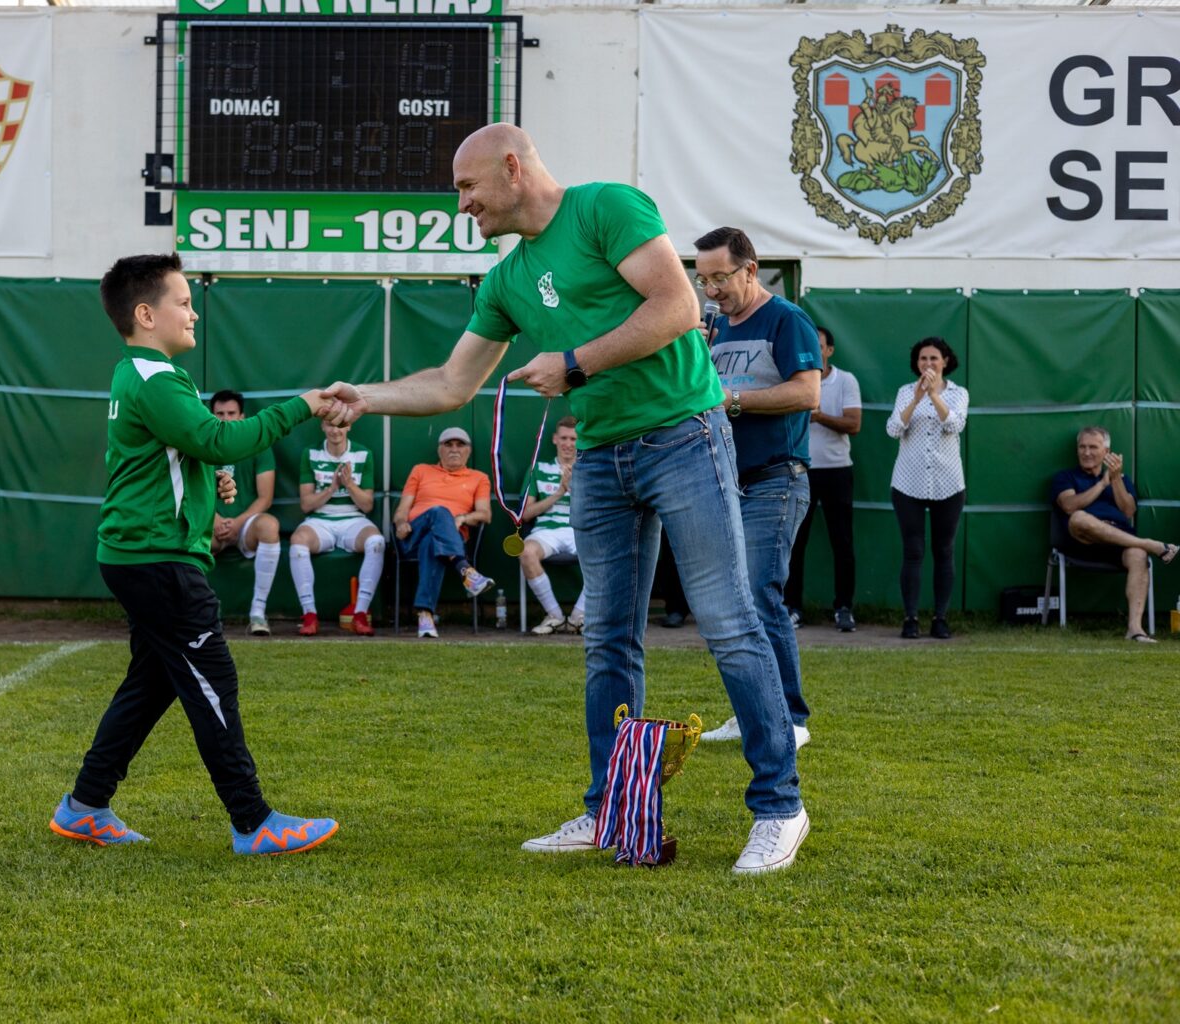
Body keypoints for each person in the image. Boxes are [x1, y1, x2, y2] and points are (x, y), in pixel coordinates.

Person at [321, 124, 807, 875]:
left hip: (684, 435)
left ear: (512, 168)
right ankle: (610, 810)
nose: (462, 205)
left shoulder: (607, 207)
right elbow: (453, 383)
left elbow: (678, 307)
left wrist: (574, 364)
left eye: (467, 187)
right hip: (604, 459)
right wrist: (368, 397)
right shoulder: (505, 280)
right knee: (607, 638)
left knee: (730, 621)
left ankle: (780, 808)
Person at [48, 253, 337, 856]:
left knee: (150, 685)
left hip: (143, 554)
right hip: (157, 560)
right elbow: (216, 436)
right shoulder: (152, 378)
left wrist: (209, 477)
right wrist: (303, 405)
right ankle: (253, 821)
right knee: (213, 678)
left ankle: (84, 806)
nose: (194, 311)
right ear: (146, 314)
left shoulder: (143, 376)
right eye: (183, 301)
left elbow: (177, 455)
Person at [695, 226, 820, 752]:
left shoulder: (787, 319)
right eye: (702, 281)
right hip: (726, 482)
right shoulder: (713, 329)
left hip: (776, 477)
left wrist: (733, 401)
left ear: (751, 269)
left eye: (720, 278)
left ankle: (789, 718)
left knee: (758, 594)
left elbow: (808, 392)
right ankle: (753, 713)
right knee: (732, 604)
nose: (712, 291)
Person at [1051, 426, 1178, 642]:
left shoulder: (1122, 479)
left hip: (1118, 544)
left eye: (1093, 447)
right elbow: (1070, 506)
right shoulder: (1066, 477)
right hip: (1082, 542)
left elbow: (1128, 510)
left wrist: (1115, 479)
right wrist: (1102, 484)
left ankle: (1135, 629)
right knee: (1080, 518)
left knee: (1138, 555)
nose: (1087, 452)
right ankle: (1150, 544)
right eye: (1082, 447)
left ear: (1106, 452)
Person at [887, 336, 969, 639]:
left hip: (948, 483)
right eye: (923, 359)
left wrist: (935, 396)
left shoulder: (959, 393)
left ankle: (940, 617)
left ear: (945, 361)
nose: (929, 364)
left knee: (944, 550)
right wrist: (917, 399)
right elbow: (894, 428)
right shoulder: (905, 392)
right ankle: (910, 619)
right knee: (913, 551)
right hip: (907, 482)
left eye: (934, 358)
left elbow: (955, 425)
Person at [787, 325, 862, 632]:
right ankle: (791, 608)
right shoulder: (792, 377)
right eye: (809, 344)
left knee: (842, 542)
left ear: (829, 350)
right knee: (794, 542)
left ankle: (844, 608)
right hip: (800, 469)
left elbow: (854, 424)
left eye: (819, 345)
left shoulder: (845, 380)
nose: (814, 349)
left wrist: (819, 417)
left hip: (836, 470)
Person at [391, 427, 496, 639]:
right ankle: (465, 569)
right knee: (439, 512)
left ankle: (425, 615)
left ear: (469, 451)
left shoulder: (479, 478)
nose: (454, 449)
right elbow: (402, 511)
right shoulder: (421, 470)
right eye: (448, 445)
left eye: (460, 445)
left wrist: (463, 519)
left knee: (433, 542)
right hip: (414, 534)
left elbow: (485, 514)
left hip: (448, 538)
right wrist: (401, 522)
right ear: (439, 450)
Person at [288, 420, 383, 636]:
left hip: (353, 520)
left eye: (341, 425)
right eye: (330, 425)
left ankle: (360, 613)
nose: (335, 430)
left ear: (349, 427)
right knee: (298, 541)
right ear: (322, 426)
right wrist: (332, 488)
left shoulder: (363, 453)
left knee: (376, 542)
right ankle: (310, 614)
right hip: (321, 520)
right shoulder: (310, 453)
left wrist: (349, 485)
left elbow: (367, 505)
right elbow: (306, 504)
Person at [207, 390, 283, 636]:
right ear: (211, 416)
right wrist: (214, 519)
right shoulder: (201, 445)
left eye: (231, 413)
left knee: (269, 526)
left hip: (245, 525)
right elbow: (191, 492)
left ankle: (258, 613)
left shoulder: (258, 445)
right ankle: (203, 616)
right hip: (211, 524)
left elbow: (265, 497)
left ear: (243, 416)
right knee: (187, 536)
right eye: (220, 414)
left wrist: (238, 523)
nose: (226, 419)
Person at [520, 416, 586, 635]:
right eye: (564, 438)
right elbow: (525, 514)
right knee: (526, 553)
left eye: (573, 439)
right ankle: (555, 616)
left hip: (581, 531)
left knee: (608, 557)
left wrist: (574, 489)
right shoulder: (538, 469)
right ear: (555, 439)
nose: (568, 443)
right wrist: (558, 493)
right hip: (546, 531)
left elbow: (597, 511)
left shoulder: (589, 470)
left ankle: (579, 617)